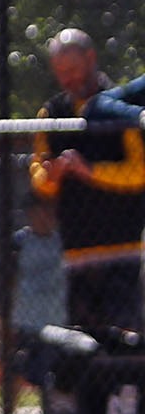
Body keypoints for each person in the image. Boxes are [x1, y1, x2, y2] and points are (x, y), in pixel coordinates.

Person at [31, 28, 145, 336]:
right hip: (76, 251)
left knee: (127, 340)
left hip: (123, 249)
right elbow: (38, 176)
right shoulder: (51, 114)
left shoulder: (120, 108)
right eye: (61, 73)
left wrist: (89, 171)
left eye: (74, 69)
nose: (68, 79)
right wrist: (51, 177)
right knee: (82, 342)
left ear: (91, 59)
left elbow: (140, 173)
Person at [10, 193, 66, 394]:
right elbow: (11, 278)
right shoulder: (20, 240)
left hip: (57, 318)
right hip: (27, 319)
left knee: (52, 370)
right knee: (18, 366)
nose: (45, 216)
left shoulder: (63, 240)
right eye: (39, 211)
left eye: (49, 211)